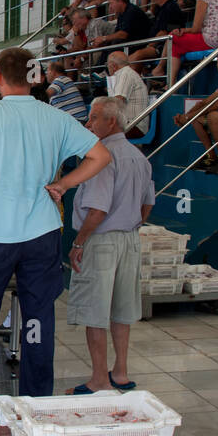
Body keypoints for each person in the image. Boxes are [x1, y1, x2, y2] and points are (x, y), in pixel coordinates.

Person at [0, 48, 114, 418]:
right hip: (42, 234)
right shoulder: (55, 117)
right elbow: (101, 156)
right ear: (34, 76)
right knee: (38, 320)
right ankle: (36, 404)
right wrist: (64, 184)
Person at [65, 97, 155, 393]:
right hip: (129, 239)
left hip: (101, 240)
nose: (88, 123)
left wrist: (79, 243)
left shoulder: (102, 157)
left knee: (95, 313)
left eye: (94, 118)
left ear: (111, 122)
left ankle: (99, 380)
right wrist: (129, 224)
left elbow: (97, 210)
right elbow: (147, 204)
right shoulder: (139, 157)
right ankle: (121, 372)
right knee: (121, 311)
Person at [152, 0, 218, 85]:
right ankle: (168, 82)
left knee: (172, 37)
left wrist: (182, 30)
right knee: (175, 43)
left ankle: (163, 73)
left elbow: (196, 28)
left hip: (212, 40)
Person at [104, 52, 150, 139]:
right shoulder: (126, 73)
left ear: (113, 66)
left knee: (96, 129)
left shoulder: (125, 74)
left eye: (107, 64)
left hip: (134, 126)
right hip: (131, 125)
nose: (107, 67)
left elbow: (117, 101)